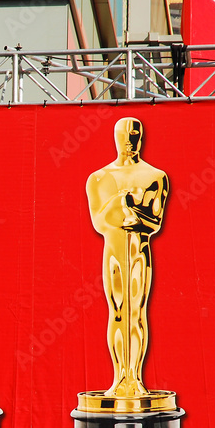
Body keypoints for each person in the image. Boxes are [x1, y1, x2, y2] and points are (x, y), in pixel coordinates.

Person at [85, 117, 170, 398]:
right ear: (116, 137)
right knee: (119, 312)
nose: (131, 140)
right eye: (126, 135)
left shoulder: (155, 176)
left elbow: (154, 221)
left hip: (139, 252)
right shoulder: (98, 178)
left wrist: (126, 210)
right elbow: (99, 222)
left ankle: (134, 378)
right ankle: (120, 378)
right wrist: (125, 203)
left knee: (137, 312)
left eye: (136, 135)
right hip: (113, 251)